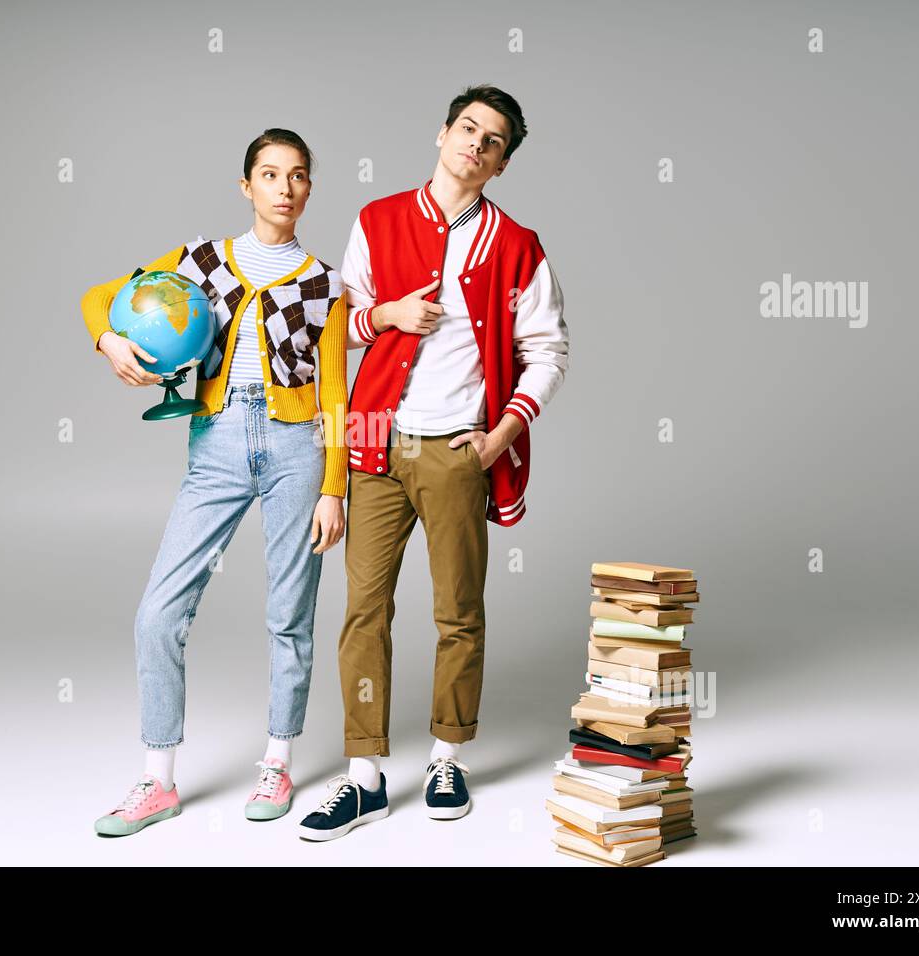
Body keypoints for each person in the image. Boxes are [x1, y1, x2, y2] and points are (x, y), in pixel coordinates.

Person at [296, 87, 570, 842]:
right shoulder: (378, 220)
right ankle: (364, 776)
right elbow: (338, 328)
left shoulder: (517, 245)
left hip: (456, 449)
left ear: (501, 164)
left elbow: (548, 350)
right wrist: (387, 314)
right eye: (467, 129)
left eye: (492, 141)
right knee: (363, 611)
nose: (474, 145)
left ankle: (448, 757)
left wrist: (500, 436)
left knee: (458, 611)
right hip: (375, 442)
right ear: (442, 132)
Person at [79, 129, 349, 836]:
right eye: (270, 174)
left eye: (297, 175)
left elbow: (336, 393)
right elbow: (100, 296)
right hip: (218, 441)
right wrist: (109, 339)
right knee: (159, 613)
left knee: (289, 613)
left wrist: (335, 488)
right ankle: (158, 780)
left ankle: (278, 761)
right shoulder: (201, 261)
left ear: (309, 188)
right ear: (246, 186)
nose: (284, 188)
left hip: (297, 446)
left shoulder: (326, 284)